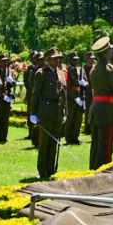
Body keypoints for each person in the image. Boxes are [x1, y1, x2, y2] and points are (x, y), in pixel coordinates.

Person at [30, 49, 65, 180]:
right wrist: (33, 113)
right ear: (48, 59)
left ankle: (51, 169)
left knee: (54, 142)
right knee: (44, 143)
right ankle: (42, 170)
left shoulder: (60, 73)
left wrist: (64, 111)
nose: (58, 60)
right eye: (55, 58)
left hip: (57, 112)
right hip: (45, 111)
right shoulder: (41, 73)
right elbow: (35, 94)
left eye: (59, 58)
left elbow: (63, 94)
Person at [87, 47, 113, 168]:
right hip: (107, 112)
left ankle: (92, 169)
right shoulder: (111, 70)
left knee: (96, 145)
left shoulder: (94, 69)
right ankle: (102, 174)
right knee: (106, 148)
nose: (112, 52)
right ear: (106, 53)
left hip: (95, 110)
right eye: (110, 50)